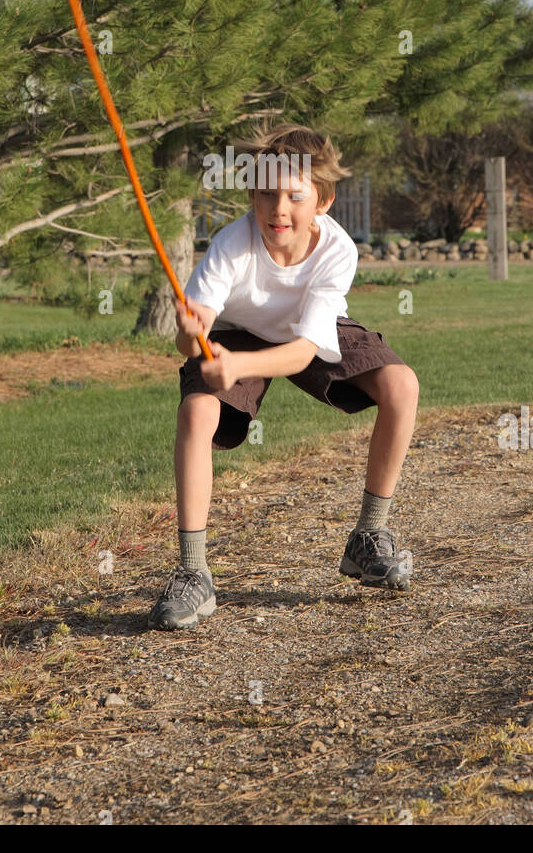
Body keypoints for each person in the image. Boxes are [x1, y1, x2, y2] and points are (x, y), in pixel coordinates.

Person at [148, 123, 420, 630]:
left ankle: (368, 537)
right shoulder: (231, 244)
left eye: (294, 195)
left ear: (324, 200)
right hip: (237, 332)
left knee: (402, 385)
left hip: (306, 334)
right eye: (267, 194)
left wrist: (240, 368)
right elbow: (188, 345)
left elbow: (301, 351)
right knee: (197, 411)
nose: (279, 209)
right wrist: (191, 332)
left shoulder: (338, 251)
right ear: (252, 193)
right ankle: (192, 573)